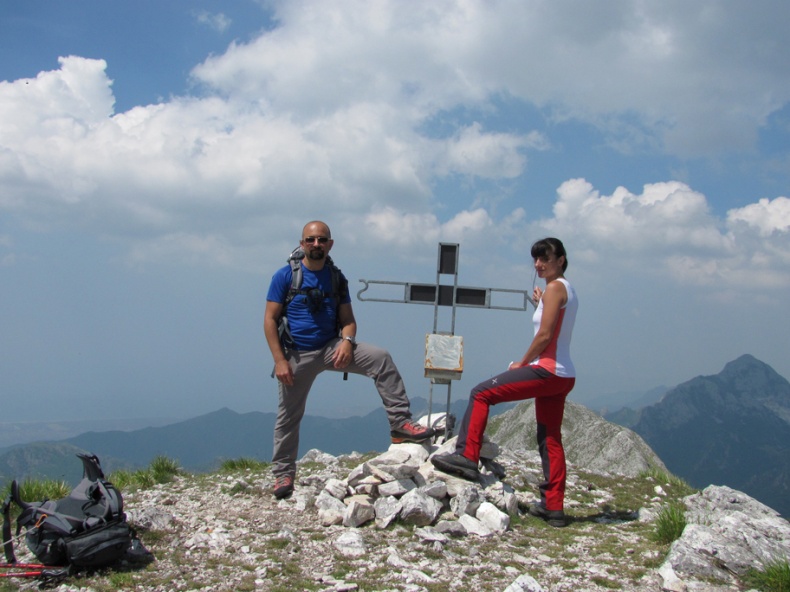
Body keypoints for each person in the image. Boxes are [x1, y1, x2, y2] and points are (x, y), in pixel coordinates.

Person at [264, 221, 435, 499]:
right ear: (302, 242)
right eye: (311, 240)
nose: (316, 244)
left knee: (380, 358)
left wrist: (347, 342)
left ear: (330, 244)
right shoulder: (285, 276)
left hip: (332, 347)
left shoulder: (336, 278)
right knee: (288, 415)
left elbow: (348, 322)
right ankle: (283, 473)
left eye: (321, 240)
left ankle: (400, 423)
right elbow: (270, 320)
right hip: (297, 353)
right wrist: (280, 360)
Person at [431, 237, 578, 527]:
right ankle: (554, 508)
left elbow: (546, 336)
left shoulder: (555, 288)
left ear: (560, 259)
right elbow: (554, 324)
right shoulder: (566, 290)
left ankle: (467, 457)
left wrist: (522, 363)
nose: (538, 264)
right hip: (564, 375)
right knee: (550, 438)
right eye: (536, 259)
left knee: (481, 393)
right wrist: (541, 303)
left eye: (545, 258)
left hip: (546, 371)